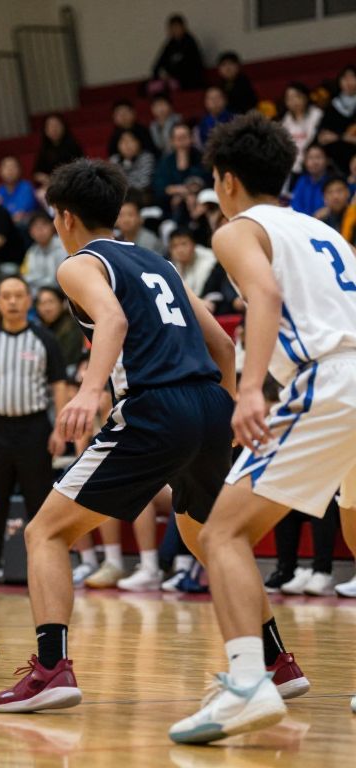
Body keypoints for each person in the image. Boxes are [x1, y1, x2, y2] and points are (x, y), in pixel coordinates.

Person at [0, 157, 305, 721]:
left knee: (45, 533)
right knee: (209, 536)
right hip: (209, 402)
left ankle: (51, 669)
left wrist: (88, 392)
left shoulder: (79, 265)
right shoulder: (159, 262)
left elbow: (111, 320)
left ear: (63, 219)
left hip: (156, 406)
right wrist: (221, 410)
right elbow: (225, 349)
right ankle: (277, 661)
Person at [169, 113, 356, 743]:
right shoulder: (323, 229)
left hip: (329, 381)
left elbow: (266, 297)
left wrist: (250, 389)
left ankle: (249, 683)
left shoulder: (237, 230)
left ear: (224, 181)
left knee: (222, 533)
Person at [0, 276, 69, 598]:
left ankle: (42, 577)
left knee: (40, 509)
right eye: (6, 296)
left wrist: (59, 429)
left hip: (35, 429)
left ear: (29, 301)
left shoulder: (45, 339)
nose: (12, 301)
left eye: (19, 296)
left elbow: (59, 387)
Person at [154, 123, 209, 216]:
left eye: (184, 137)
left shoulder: (202, 158)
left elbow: (205, 181)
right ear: (171, 141)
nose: (181, 141)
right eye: (178, 138)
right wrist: (183, 192)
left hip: (200, 204)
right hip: (171, 208)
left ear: (191, 138)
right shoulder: (166, 161)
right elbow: (160, 187)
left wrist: (184, 192)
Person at [34, 286, 84, 379]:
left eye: (51, 302)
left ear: (62, 303)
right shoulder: (36, 330)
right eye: (42, 303)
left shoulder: (73, 327)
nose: (47, 308)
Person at [315, 65, 356, 172]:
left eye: (352, 77)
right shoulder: (331, 106)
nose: (348, 82)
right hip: (335, 162)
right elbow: (323, 136)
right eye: (344, 78)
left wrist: (339, 137)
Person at [151, 14, 205, 92]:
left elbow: (191, 65)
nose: (174, 31)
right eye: (172, 28)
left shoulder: (190, 42)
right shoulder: (169, 44)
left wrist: (172, 74)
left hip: (189, 80)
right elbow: (158, 63)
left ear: (183, 27)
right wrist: (162, 73)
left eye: (176, 27)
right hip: (170, 79)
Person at [280, 82, 323, 176]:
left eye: (297, 96)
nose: (294, 101)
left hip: (313, 162)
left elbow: (315, 139)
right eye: (289, 98)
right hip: (292, 166)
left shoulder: (317, 114)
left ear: (306, 97)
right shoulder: (286, 119)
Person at [33, 114, 84, 187]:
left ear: (63, 126)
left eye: (56, 125)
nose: (54, 129)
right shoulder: (43, 150)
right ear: (45, 130)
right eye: (50, 126)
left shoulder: (73, 146)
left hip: (73, 183)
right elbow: (37, 172)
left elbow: (83, 166)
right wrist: (45, 179)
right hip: (52, 185)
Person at [21, 212, 67, 291]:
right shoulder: (31, 251)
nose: (40, 230)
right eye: (35, 227)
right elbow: (25, 276)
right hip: (37, 294)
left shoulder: (64, 246)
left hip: (62, 293)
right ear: (30, 232)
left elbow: (58, 280)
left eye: (44, 225)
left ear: (52, 227)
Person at [168, 228, 217, 296]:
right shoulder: (172, 265)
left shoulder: (209, 261)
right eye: (174, 246)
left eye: (184, 244)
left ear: (193, 245)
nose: (179, 250)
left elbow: (198, 294)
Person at [110, 130, 156, 197]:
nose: (127, 145)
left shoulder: (146, 157)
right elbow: (113, 184)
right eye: (123, 141)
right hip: (121, 197)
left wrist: (123, 187)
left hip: (141, 196)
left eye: (131, 140)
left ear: (138, 142)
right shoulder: (114, 160)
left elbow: (144, 183)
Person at [289, 143, 330, 216]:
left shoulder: (332, 182)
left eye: (318, 157)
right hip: (302, 223)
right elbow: (295, 206)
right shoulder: (302, 181)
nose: (314, 162)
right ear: (305, 161)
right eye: (310, 158)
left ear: (327, 160)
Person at [0, 156, 38, 224]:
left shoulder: (27, 187)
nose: (10, 170)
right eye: (6, 167)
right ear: (0, 171)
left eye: (13, 166)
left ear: (20, 170)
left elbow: (21, 213)